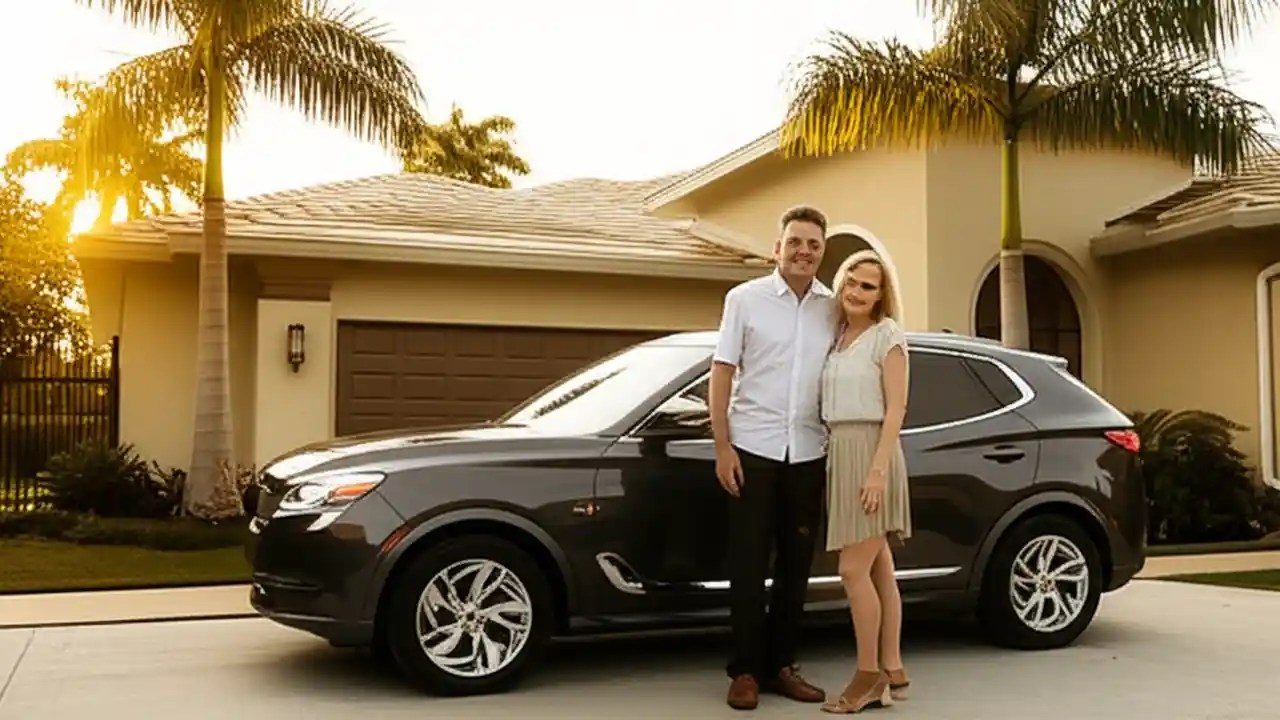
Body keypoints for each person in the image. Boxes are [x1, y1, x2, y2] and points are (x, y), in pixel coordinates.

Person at [709, 205, 835, 711]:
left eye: (814, 244)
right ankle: (744, 670)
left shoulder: (833, 307)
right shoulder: (745, 300)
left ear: (822, 252)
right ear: (777, 247)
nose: (804, 251)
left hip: (808, 452)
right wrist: (722, 446)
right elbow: (722, 372)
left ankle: (782, 665)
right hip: (752, 450)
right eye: (796, 242)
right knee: (747, 564)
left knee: (796, 566)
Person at [817, 248, 912, 714]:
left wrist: (876, 472)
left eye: (867, 286)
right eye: (850, 282)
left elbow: (896, 410)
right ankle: (893, 666)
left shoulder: (887, 336)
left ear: (881, 295)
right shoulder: (837, 336)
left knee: (853, 570)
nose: (855, 291)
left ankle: (868, 676)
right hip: (841, 449)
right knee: (878, 567)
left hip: (872, 452)